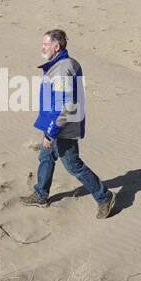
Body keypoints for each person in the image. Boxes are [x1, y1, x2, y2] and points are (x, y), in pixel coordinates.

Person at [20, 29, 116, 219]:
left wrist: (51, 133)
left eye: (46, 44)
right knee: (46, 158)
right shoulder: (58, 65)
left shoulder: (63, 69)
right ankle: (41, 194)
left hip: (63, 128)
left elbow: (66, 106)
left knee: (73, 165)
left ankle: (104, 196)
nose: (42, 47)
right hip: (54, 125)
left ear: (57, 47)